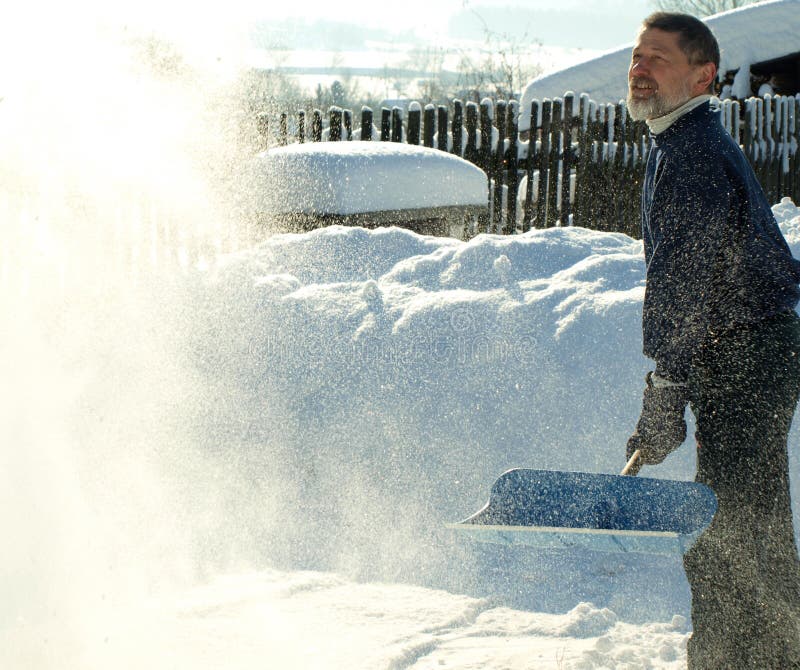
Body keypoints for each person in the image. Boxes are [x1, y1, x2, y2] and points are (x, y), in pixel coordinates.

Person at [623, 12, 800, 669]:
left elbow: (685, 278)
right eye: (637, 56)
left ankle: (737, 658)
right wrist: (674, 380)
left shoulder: (691, 152)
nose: (640, 69)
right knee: (749, 521)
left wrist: (667, 385)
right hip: (747, 347)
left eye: (658, 59)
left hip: (747, 352)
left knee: (728, 531)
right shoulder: (683, 139)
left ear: (703, 77)